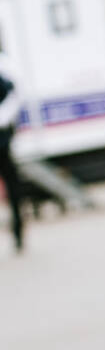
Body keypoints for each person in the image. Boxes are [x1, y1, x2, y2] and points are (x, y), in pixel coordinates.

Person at [0, 51, 24, 251]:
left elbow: (12, 97)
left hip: (2, 142)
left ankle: (18, 232)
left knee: (13, 188)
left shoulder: (2, 72)